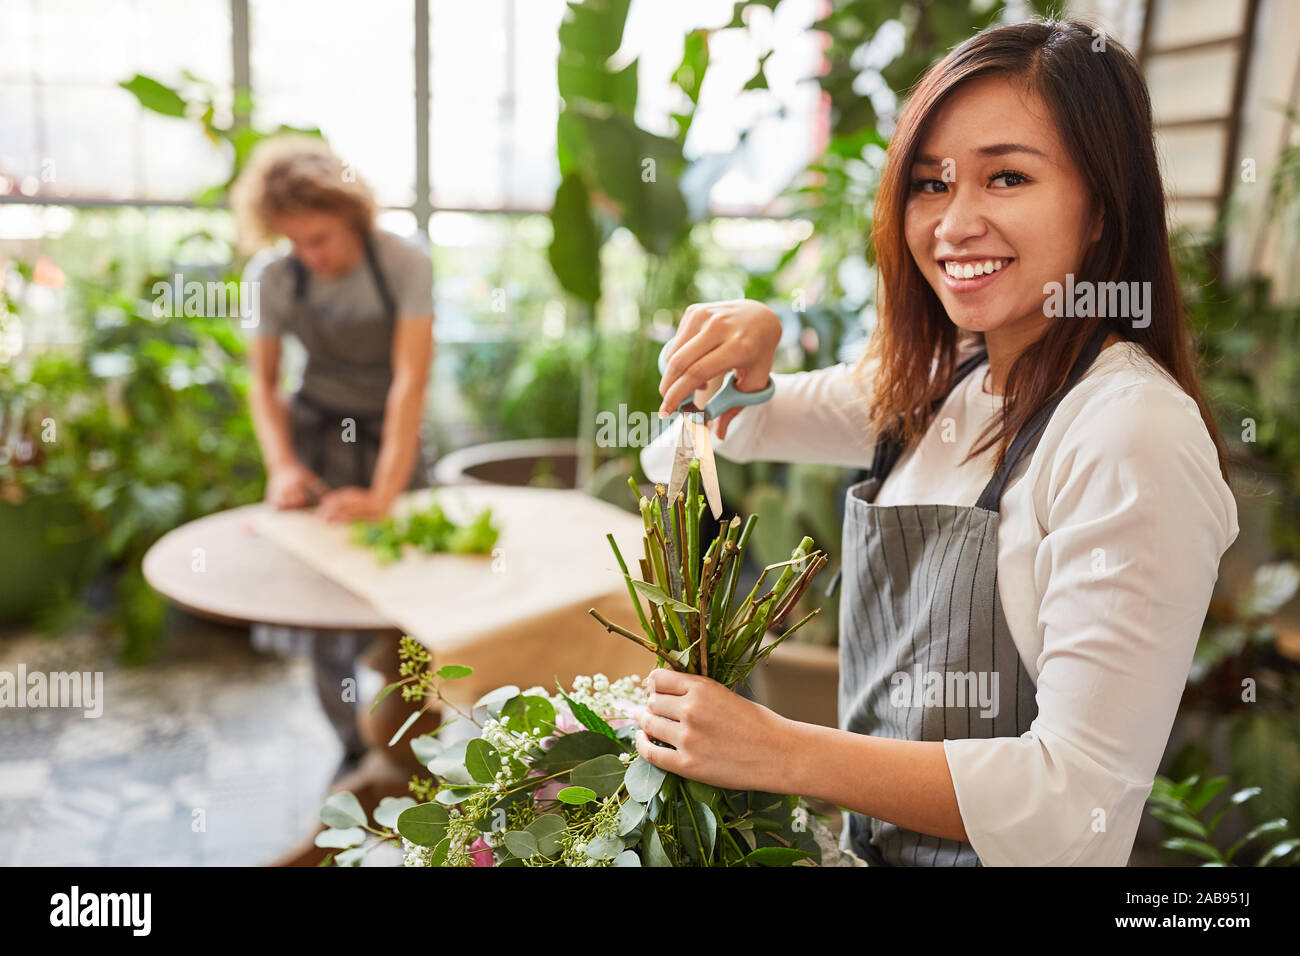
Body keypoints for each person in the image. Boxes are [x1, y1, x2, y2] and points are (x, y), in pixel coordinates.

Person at [641, 19, 1239, 866]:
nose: (955, 223)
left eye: (1007, 176)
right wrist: (753, 332)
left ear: (1103, 211)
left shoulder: (1128, 433)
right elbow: (717, 427)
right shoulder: (939, 381)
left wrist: (778, 751)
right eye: (931, 184)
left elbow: (1076, 805)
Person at [230, 136, 435, 782]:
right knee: (320, 606)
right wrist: (283, 466)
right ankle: (354, 752)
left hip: (390, 445)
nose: (308, 256)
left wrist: (384, 492)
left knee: (407, 605)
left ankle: (409, 746)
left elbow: (410, 383)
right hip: (318, 441)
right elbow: (263, 384)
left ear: (353, 214)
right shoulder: (271, 275)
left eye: (319, 239)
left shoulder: (404, 263)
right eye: (294, 242)